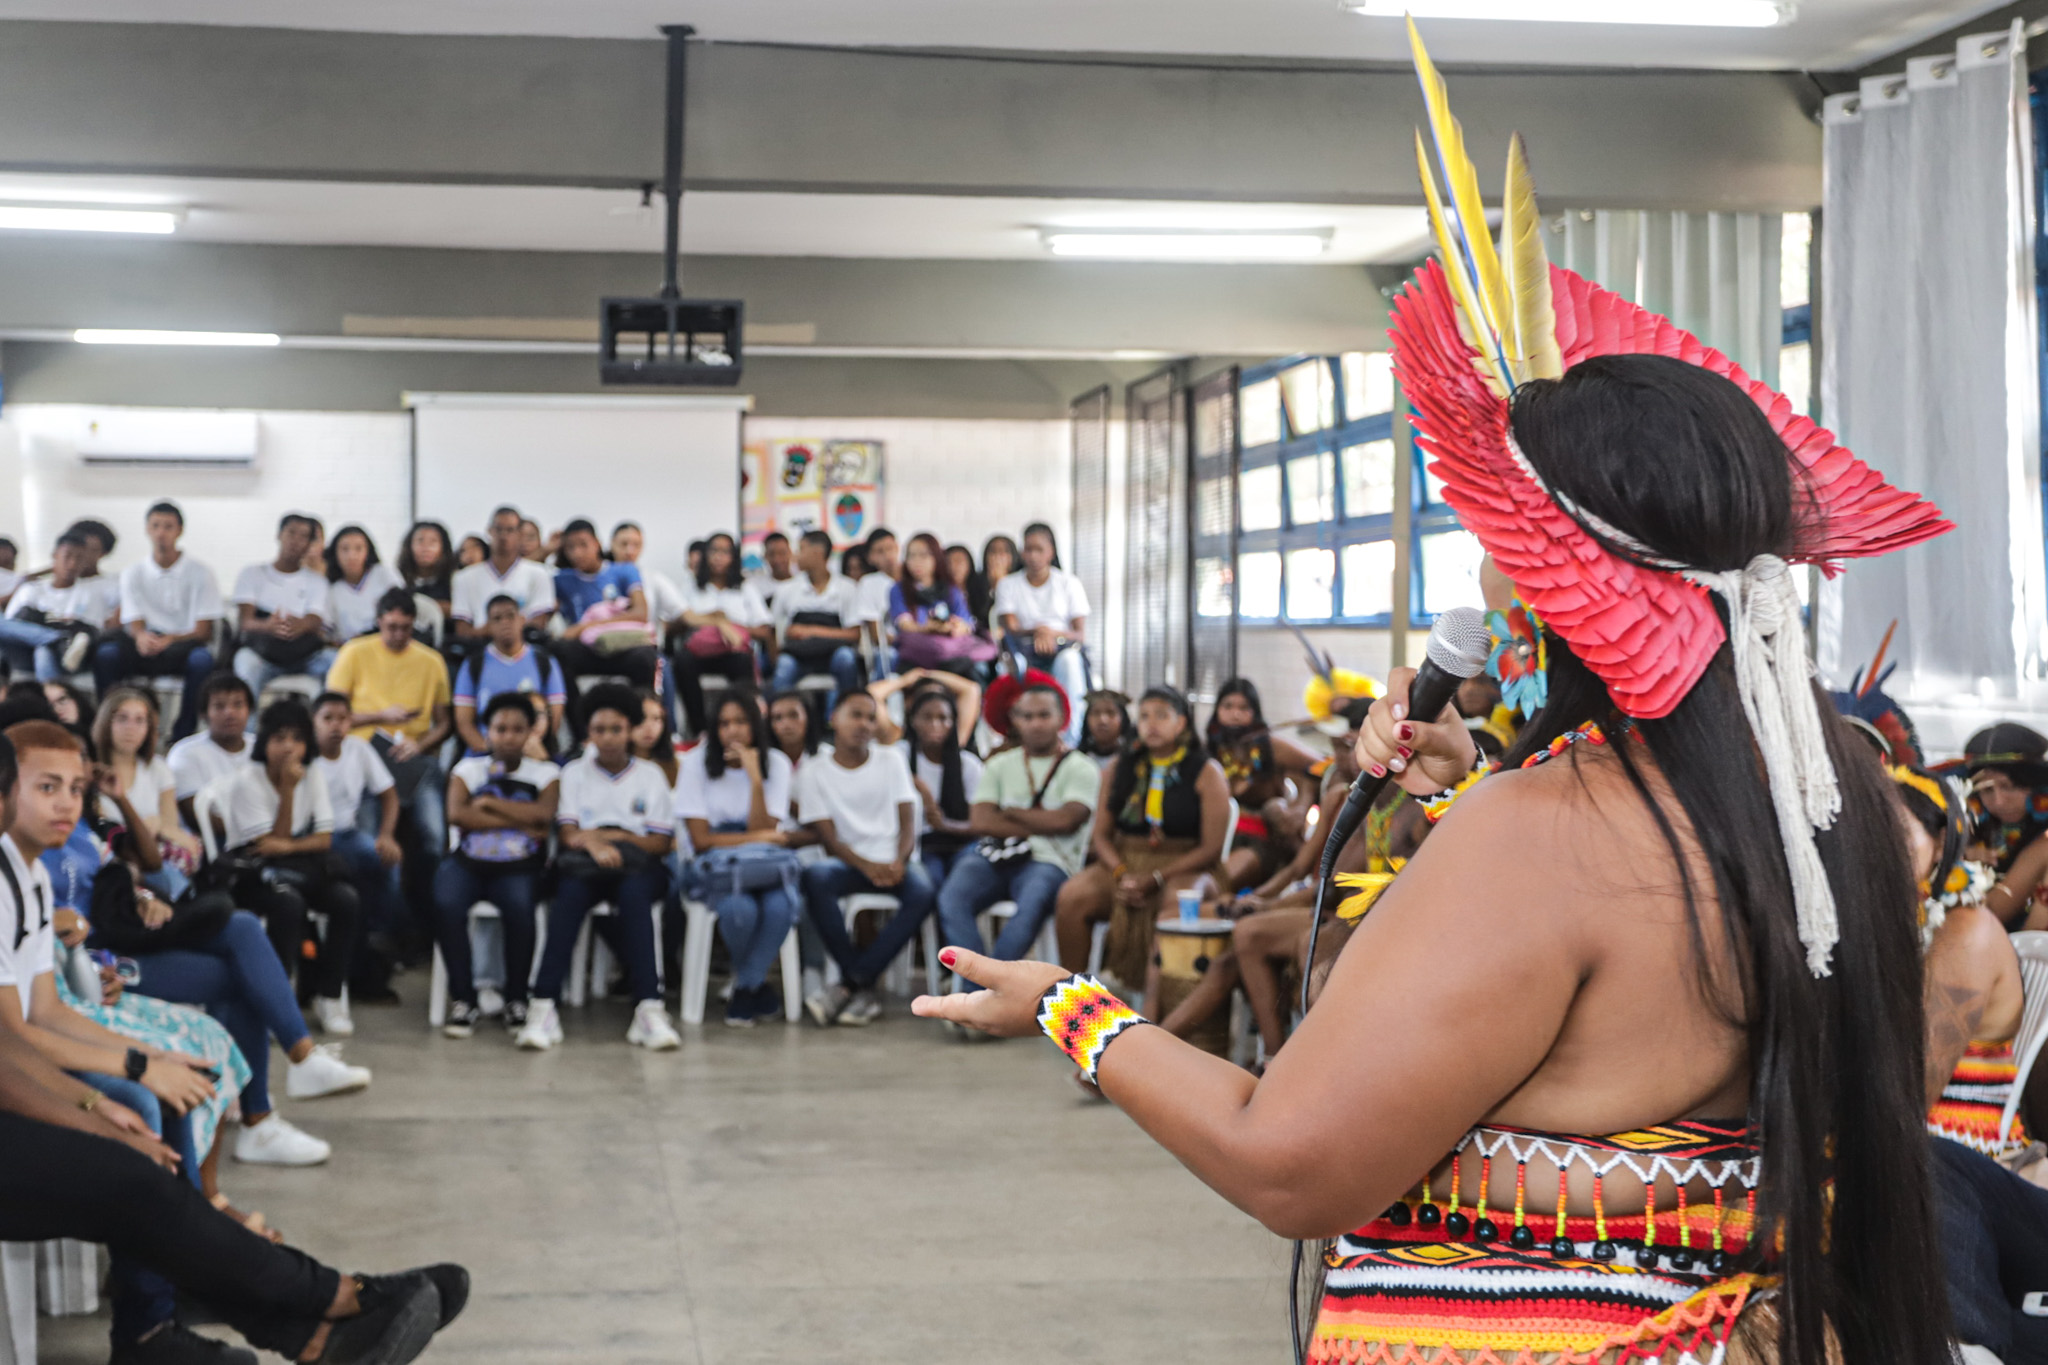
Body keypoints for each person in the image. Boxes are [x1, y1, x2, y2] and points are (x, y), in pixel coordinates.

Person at [915, 84, 1958, 1359]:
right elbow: (1634, 980)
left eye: (1492, 545)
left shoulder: (1547, 833)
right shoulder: (1828, 791)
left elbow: (1290, 1167)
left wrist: (1075, 1013)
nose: (1480, 575)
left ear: (1543, 580)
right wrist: (1477, 801)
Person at [520, 684, 678, 1052]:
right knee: (569, 896)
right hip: (586, 868)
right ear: (588, 732)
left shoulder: (651, 775)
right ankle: (543, 1008)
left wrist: (611, 838)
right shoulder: (574, 772)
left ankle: (648, 1009)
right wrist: (594, 844)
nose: (608, 738)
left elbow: (660, 842)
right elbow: (570, 832)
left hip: (638, 869)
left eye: (617, 729)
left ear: (630, 731)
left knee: (636, 897)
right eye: (599, 730)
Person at [1051, 685, 1228, 990]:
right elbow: (1102, 836)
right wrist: (1121, 873)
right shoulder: (1120, 768)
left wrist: (1157, 877)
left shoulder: (1206, 771)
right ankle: (1074, 1004)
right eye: (1144, 716)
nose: (1152, 724)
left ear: (1181, 722)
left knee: (1178, 902)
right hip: (1125, 863)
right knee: (1072, 897)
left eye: (1162, 715)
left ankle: (1165, 1009)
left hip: (1187, 866)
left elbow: (1211, 848)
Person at [792, 690, 934, 1028]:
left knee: (924, 891)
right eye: (855, 715)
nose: (864, 724)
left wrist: (900, 859)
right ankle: (861, 983)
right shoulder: (813, 770)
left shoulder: (891, 759)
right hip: (849, 863)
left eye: (871, 718)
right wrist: (866, 866)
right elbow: (828, 840)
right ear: (833, 719)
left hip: (894, 860)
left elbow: (907, 819)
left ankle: (849, 984)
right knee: (816, 878)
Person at [935, 679, 1094, 979]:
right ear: (1015, 720)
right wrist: (1042, 819)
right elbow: (981, 822)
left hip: (1050, 861)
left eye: (1044, 715)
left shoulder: (1081, 767)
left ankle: (989, 990)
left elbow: (1066, 821)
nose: (1036, 724)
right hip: (995, 853)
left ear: (1062, 718)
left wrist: (1010, 812)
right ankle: (981, 987)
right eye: (1027, 716)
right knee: (951, 896)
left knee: (1031, 904)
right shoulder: (999, 764)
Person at [218, 700, 360, 1035]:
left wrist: (290, 845)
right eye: (279, 738)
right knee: (288, 904)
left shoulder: (314, 775)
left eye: (296, 739)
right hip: (251, 873)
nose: (288, 747)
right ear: (264, 741)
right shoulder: (247, 781)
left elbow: (323, 839)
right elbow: (268, 846)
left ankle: (329, 994)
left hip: (296, 866)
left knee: (346, 899)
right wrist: (287, 791)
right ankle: (277, 1002)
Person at [324, 589, 453, 956]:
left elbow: (444, 723)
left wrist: (422, 743)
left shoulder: (430, 661)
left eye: (406, 629)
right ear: (379, 621)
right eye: (392, 627)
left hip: (415, 759)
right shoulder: (355, 652)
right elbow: (331, 713)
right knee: (370, 845)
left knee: (433, 839)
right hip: (366, 757)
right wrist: (381, 716)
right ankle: (390, 932)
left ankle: (424, 926)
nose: (398, 635)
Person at [434, 692, 558, 1040]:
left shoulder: (546, 773)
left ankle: (516, 997)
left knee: (520, 909)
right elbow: (458, 814)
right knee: (446, 903)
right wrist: (519, 822)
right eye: (500, 728)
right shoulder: (467, 768)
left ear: (532, 732)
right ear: (487, 731)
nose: (508, 736)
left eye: (518, 729)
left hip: (520, 865)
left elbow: (544, 816)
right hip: (469, 862)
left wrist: (487, 803)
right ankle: (463, 999)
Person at [675, 690, 798, 1028]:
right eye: (724, 723)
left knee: (780, 906)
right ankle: (756, 987)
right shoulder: (695, 764)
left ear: (755, 725)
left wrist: (755, 777)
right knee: (737, 909)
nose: (733, 731)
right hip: (714, 870)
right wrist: (756, 837)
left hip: (762, 866)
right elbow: (700, 841)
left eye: (741, 722)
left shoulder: (778, 763)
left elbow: (766, 827)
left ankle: (746, 986)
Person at [96, 502, 222, 741]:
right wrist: (142, 636)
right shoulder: (133, 572)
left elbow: (203, 631)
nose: (161, 533)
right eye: (155, 526)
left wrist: (170, 639)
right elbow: (134, 622)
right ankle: (109, 726)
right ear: (147, 529)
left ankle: (183, 733)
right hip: (144, 644)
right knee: (106, 655)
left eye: (168, 526)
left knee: (202, 661)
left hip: (181, 645)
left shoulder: (201, 572)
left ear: (179, 531)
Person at [309, 692, 403, 998]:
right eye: (328, 718)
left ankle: (380, 936)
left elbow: (389, 795)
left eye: (343, 718)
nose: (336, 726)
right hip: (314, 838)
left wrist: (386, 835)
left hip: (349, 833)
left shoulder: (359, 749)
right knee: (350, 876)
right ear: (314, 722)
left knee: (387, 860)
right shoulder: (304, 753)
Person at [1205, 678, 1319, 892]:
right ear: (1217, 710)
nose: (1235, 714)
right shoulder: (1208, 751)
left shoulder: (1271, 747)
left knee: (1216, 884)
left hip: (1262, 843)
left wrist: (1301, 806)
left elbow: (1321, 768)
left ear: (1255, 712)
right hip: (1215, 842)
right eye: (1228, 706)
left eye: (1244, 707)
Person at [552, 518, 666, 731]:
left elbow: (641, 613)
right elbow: (525, 571)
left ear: (597, 543)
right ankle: (582, 734)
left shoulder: (623, 571)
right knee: (558, 652)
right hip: (588, 651)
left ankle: (640, 729)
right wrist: (547, 549)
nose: (577, 552)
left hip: (622, 649)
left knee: (646, 657)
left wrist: (587, 626)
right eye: (570, 547)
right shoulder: (562, 580)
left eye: (583, 544)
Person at [94, 687, 203, 898]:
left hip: (155, 860)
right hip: (114, 861)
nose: (130, 728)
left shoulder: (158, 768)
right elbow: (106, 835)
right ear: (106, 722)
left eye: (139, 720)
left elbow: (171, 828)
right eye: (122, 719)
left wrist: (159, 825)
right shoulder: (94, 773)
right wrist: (148, 825)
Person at [993, 523, 1090, 743]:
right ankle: (1015, 738)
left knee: (1070, 662)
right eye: (1028, 549)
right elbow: (1010, 626)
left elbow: (1079, 633)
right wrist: (1038, 632)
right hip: (1023, 651)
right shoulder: (1008, 585)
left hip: (1061, 648)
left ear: (1051, 552)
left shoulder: (1069, 583)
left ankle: (1069, 740)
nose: (1033, 556)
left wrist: (1050, 634)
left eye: (1039, 549)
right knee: (1007, 667)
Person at [674, 531, 770, 737]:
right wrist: (712, 620)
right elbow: (675, 623)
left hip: (732, 652)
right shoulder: (691, 586)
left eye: (725, 552)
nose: (718, 556)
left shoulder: (745, 588)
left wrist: (731, 625)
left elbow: (763, 630)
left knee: (743, 662)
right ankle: (700, 730)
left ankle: (743, 726)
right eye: (714, 551)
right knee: (682, 661)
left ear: (734, 557)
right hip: (699, 652)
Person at [231, 513, 336, 697]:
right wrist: (268, 626)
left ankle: (329, 723)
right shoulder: (252, 573)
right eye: (291, 533)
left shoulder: (317, 582)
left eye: (303, 536)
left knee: (337, 662)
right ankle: (249, 726)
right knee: (245, 665)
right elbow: (245, 622)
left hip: (305, 657)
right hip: (262, 656)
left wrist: (299, 625)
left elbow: (315, 619)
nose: (295, 541)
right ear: (279, 535)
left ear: (309, 543)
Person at [452, 594, 565, 758]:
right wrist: (490, 752)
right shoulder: (473, 664)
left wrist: (528, 750)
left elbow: (554, 718)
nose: (505, 623)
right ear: (488, 626)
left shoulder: (545, 662)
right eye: (497, 619)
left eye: (510, 616)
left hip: (532, 753)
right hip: (484, 754)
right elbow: (464, 723)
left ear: (522, 620)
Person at [896, 685, 983, 890]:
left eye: (943, 718)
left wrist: (945, 824)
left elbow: (980, 823)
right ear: (913, 721)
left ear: (953, 723)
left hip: (961, 844)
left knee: (961, 879)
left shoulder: (969, 764)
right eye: (927, 717)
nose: (935, 724)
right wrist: (921, 789)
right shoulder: (900, 755)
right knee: (932, 880)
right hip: (919, 844)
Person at [0, 530, 116, 682]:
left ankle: (53, 644)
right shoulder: (31, 589)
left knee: (44, 649)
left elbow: (91, 632)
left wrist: (44, 622)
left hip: (70, 658)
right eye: (67, 556)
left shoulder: (90, 594)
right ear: (55, 556)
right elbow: (12, 627)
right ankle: (57, 640)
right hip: (24, 651)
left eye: (79, 559)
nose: (72, 564)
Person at [770, 530, 862, 703]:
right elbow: (773, 631)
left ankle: (845, 715)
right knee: (784, 666)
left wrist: (811, 631)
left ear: (817, 552)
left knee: (846, 659)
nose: (796, 556)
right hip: (798, 655)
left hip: (833, 654)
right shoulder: (787, 589)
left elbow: (854, 634)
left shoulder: (847, 588)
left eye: (801, 549)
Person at [886, 532, 991, 676]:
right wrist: (928, 628)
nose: (917, 561)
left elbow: (966, 625)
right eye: (911, 555)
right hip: (915, 654)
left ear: (936, 557)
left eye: (923, 555)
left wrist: (952, 627)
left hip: (951, 654)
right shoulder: (898, 589)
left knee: (979, 670)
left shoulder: (951, 590)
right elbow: (905, 625)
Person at [451, 506, 556, 647]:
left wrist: (500, 628)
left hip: (525, 647)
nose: (503, 536)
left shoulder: (538, 574)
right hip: (479, 647)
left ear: (520, 534)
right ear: (489, 531)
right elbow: (462, 629)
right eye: (499, 529)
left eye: (510, 530)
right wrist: (495, 630)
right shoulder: (464, 577)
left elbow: (538, 623)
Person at [167, 673, 255, 835]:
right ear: (203, 714)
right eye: (219, 706)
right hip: (209, 843)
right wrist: (254, 832)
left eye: (238, 705)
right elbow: (196, 818)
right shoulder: (185, 753)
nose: (230, 713)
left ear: (249, 710)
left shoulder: (260, 748)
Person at [323, 525, 401, 644]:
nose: (351, 556)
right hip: (350, 651)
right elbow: (327, 632)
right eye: (344, 549)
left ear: (368, 551)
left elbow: (403, 609)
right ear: (335, 553)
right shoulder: (332, 590)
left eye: (358, 548)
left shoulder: (383, 574)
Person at [609, 521, 686, 642]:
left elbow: (682, 611)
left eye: (636, 545)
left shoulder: (654, 579)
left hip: (645, 649)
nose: (630, 551)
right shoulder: (598, 577)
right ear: (612, 543)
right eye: (624, 544)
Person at [855, 528, 901, 671]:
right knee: (889, 655)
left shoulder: (915, 579)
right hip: (890, 647)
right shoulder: (869, 583)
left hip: (919, 644)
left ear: (898, 548)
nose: (888, 555)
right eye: (880, 551)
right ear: (870, 557)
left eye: (890, 548)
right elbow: (877, 637)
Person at [396, 520, 456, 612]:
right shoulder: (397, 579)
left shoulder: (455, 579)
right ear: (409, 546)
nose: (426, 547)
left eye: (433, 541)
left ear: (443, 547)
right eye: (420, 541)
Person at [631, 688, 678, 786]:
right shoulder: (613, 763)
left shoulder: (674, 766)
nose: (649, 727)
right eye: (642, 718)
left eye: (656, 719)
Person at [1078, 689, 1133, 768]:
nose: (1102, 720)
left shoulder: (1133, 760)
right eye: (1096, 713)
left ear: (1123, 719)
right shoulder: (1077, 760)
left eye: (1110, 712)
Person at [977, 533, 1018, 635]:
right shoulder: (976, 584)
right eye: (993, 551)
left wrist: (1001, 583)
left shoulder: (1021, 584)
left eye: (1004, 552)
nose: (998, 557)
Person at [750, 530, 797, 612]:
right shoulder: (755, 586)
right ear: (765, 556)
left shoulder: (803, 582)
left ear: (790, 553)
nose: (777, 559)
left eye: (782, 553)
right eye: (772, 554)